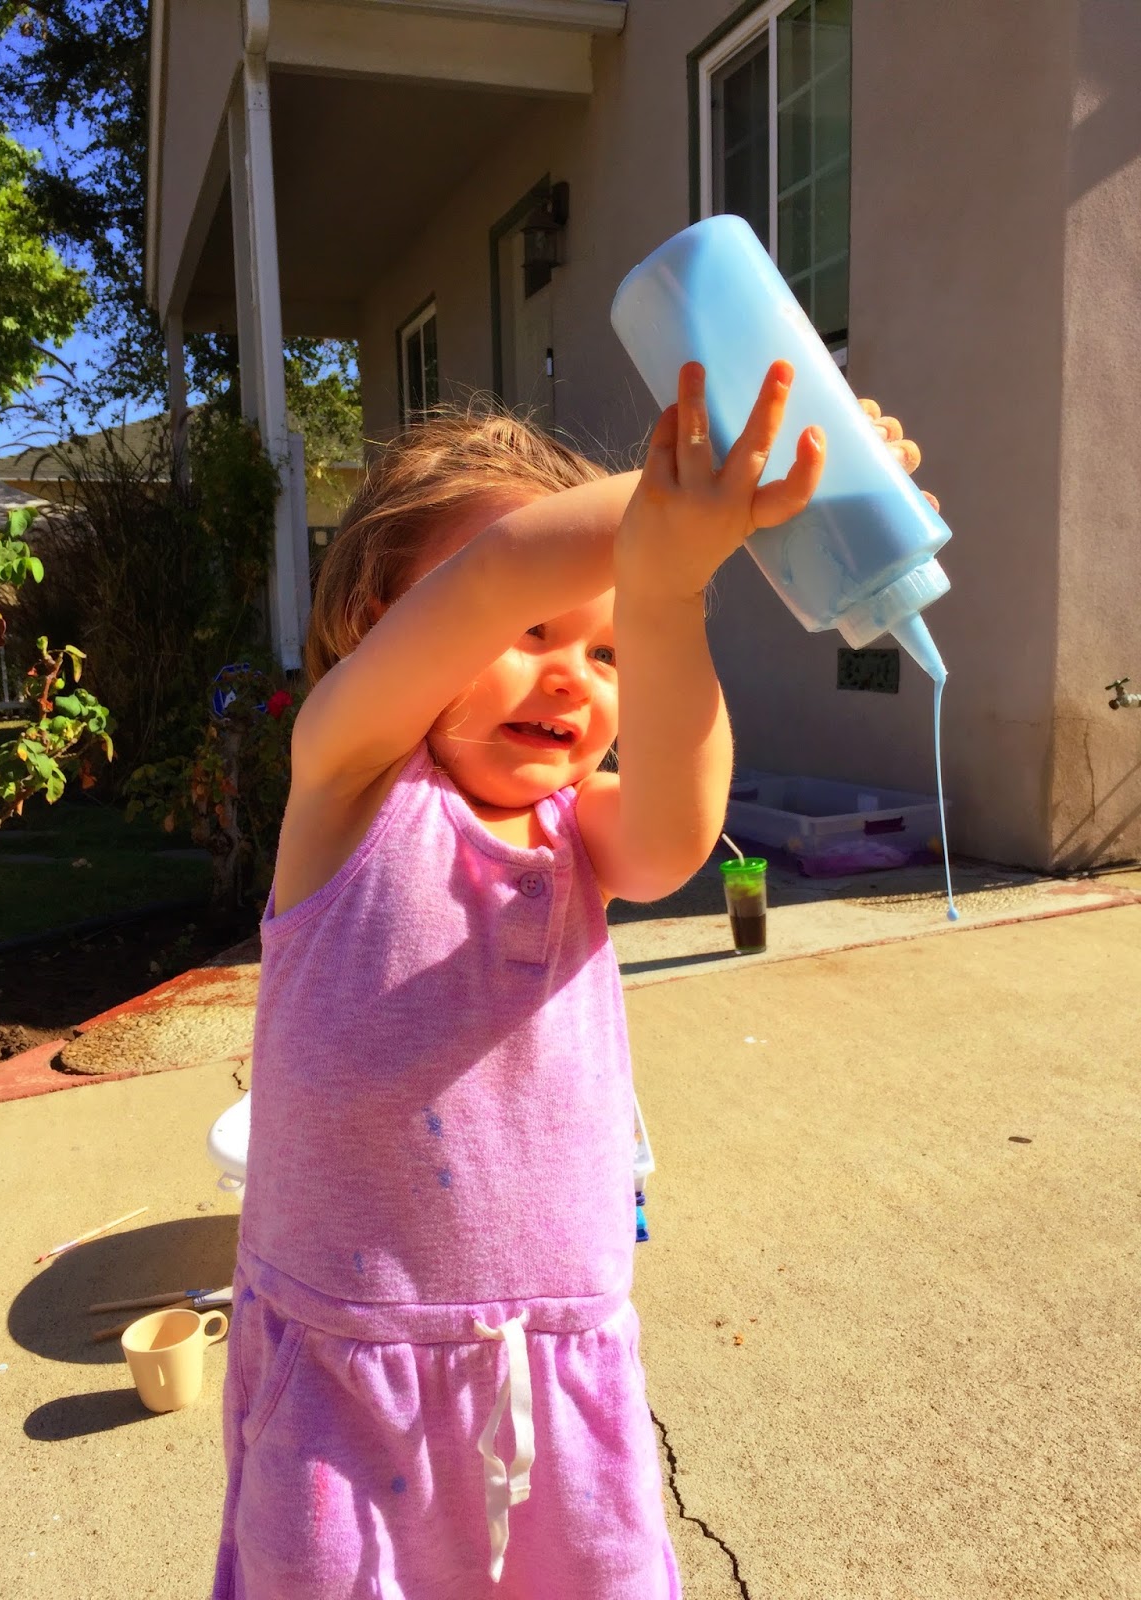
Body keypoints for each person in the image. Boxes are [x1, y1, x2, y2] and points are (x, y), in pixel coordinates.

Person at [211, 362, 932, 1599]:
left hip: (556, 1378)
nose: (573, 677)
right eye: (536, 633)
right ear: (379, 622)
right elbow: (493, 569)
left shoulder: (583, 835)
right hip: (347, 1392)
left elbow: (677, 829)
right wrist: (694, 495)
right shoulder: (348, 783)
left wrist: (671, 585)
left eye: (604, 649)